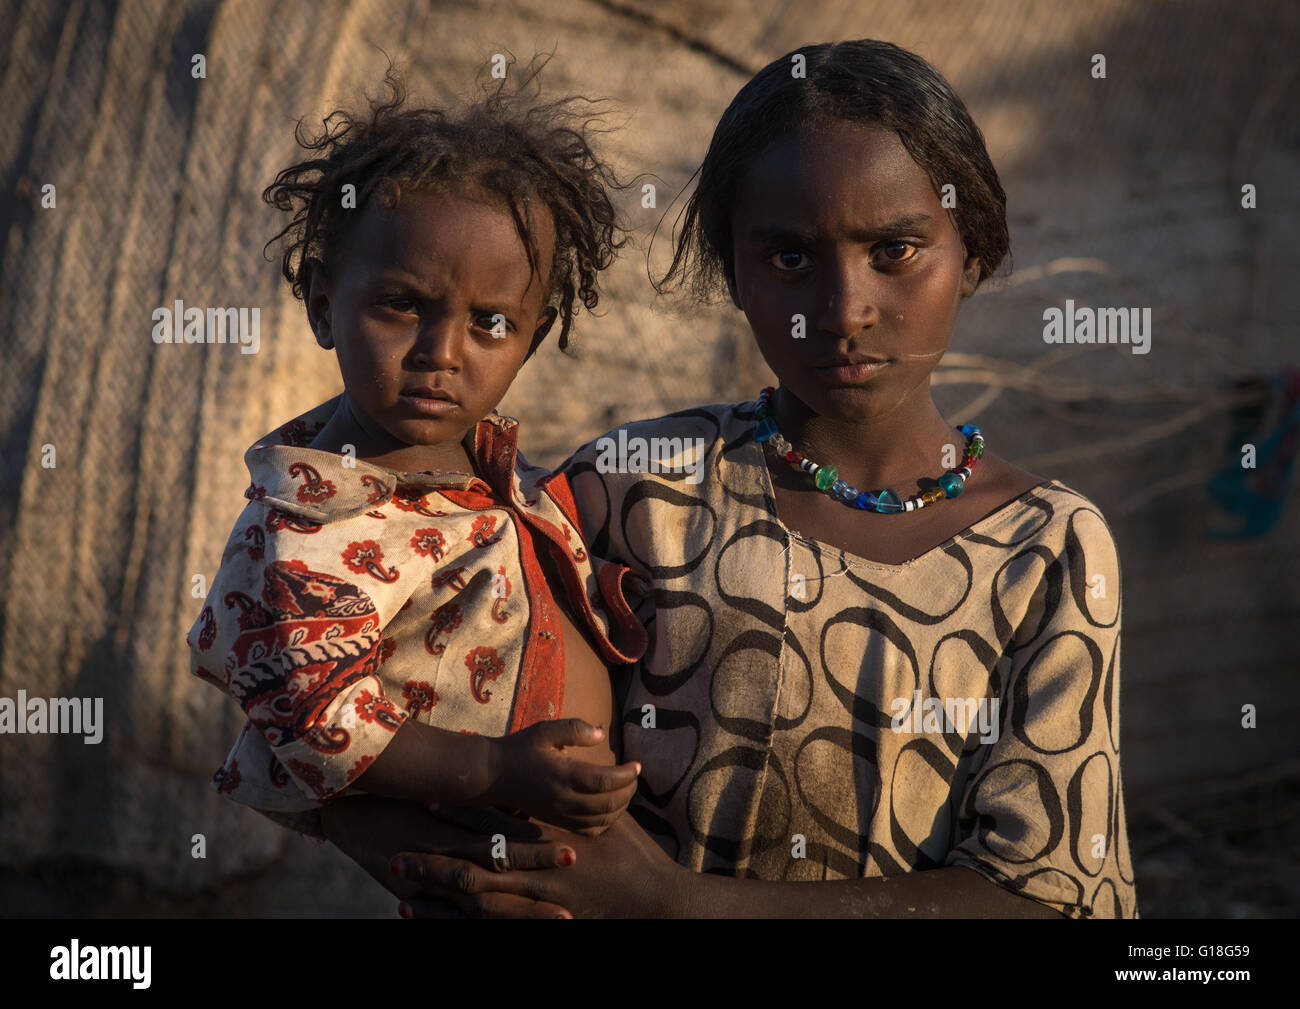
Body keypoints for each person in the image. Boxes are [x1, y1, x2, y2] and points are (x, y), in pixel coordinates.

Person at [327, 39, 1137, 919]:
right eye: (789, 258)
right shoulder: (628, 495)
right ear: (735, 275)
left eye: (895, 250)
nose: (844, 310)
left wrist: (671, 901)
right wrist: (465, 872)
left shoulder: (1047, 549)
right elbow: (345, 710)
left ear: (971, 252)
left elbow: (1045, 895)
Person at [187, 64, 650, 846]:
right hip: (463, 861)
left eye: (491, 322)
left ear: (533, 336)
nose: (442, 352)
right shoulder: (306, 532)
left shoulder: (496, 473)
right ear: (323, 301)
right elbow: (312, 719)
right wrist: (497, 770)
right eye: (403, 305)